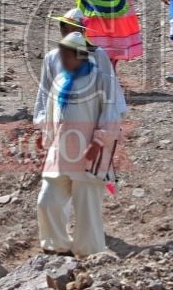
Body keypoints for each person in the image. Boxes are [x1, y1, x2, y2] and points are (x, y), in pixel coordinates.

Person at [36, 31, 122, 257]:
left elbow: (112, 116)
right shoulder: (59, 81)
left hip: (88, 156)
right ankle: (57, 247)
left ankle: (90, 255)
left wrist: (98, 142)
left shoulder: (102, 80)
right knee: (47, 201)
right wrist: (45, 134)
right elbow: (52, 114)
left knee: (87, 210)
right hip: (60, 154)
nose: (62, 59)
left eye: (68, 54)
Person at [34, 8, 127, 126]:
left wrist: (108, 123)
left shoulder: (98, 55)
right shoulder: (51, 58)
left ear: (83, 31)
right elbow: (45, 90)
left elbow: (109, 88)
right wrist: (44, 121)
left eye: (74, 30)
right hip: (61, 120)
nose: (69, 34)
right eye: (65, 29)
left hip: (91, 118)